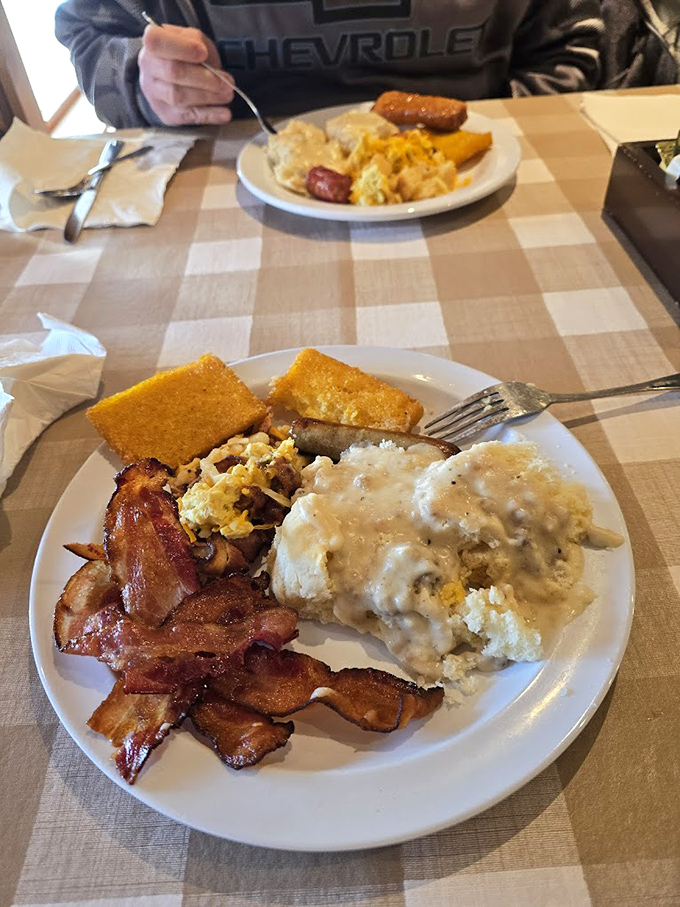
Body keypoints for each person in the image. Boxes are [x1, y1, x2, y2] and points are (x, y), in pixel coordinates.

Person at [55, 0, 604, 129]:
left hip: (476, 174)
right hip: (233, 176)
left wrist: (495, 139)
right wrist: (142, 82)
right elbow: (90, 34)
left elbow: (570, 46)